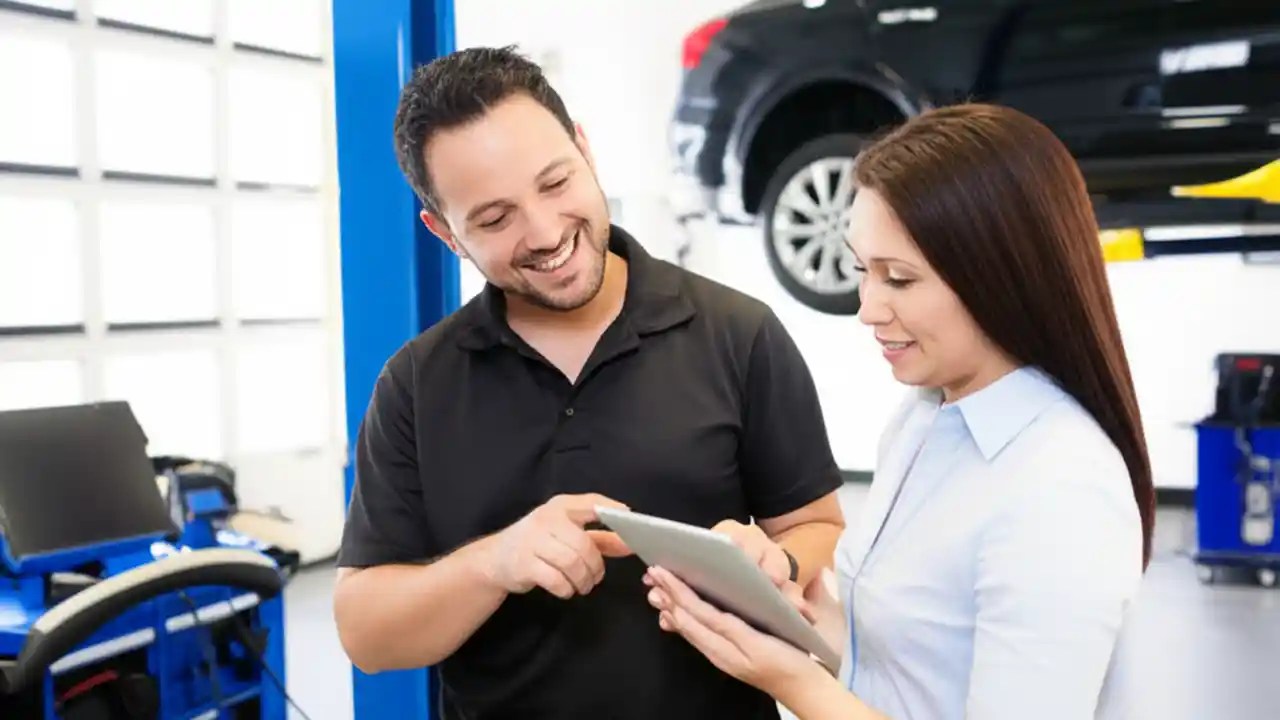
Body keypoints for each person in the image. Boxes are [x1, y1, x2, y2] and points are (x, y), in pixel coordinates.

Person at [332, 46, 846, 720]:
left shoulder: (737, 333)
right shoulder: (415, 385)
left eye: (555, 182)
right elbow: (365, 633)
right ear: (443, 232)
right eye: (494, 219)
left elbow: (818, 527)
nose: (545, 232)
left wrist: (776, 563)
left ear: (584, 148)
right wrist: (495, 562)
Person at [645, 103, 1156, 720]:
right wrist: (774, 605)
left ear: (1000, 273)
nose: (868, 309)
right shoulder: (922, 420)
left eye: (899, 279)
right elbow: (893, 665)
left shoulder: (1061, 487)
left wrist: (792, 682)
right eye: (863, 272)